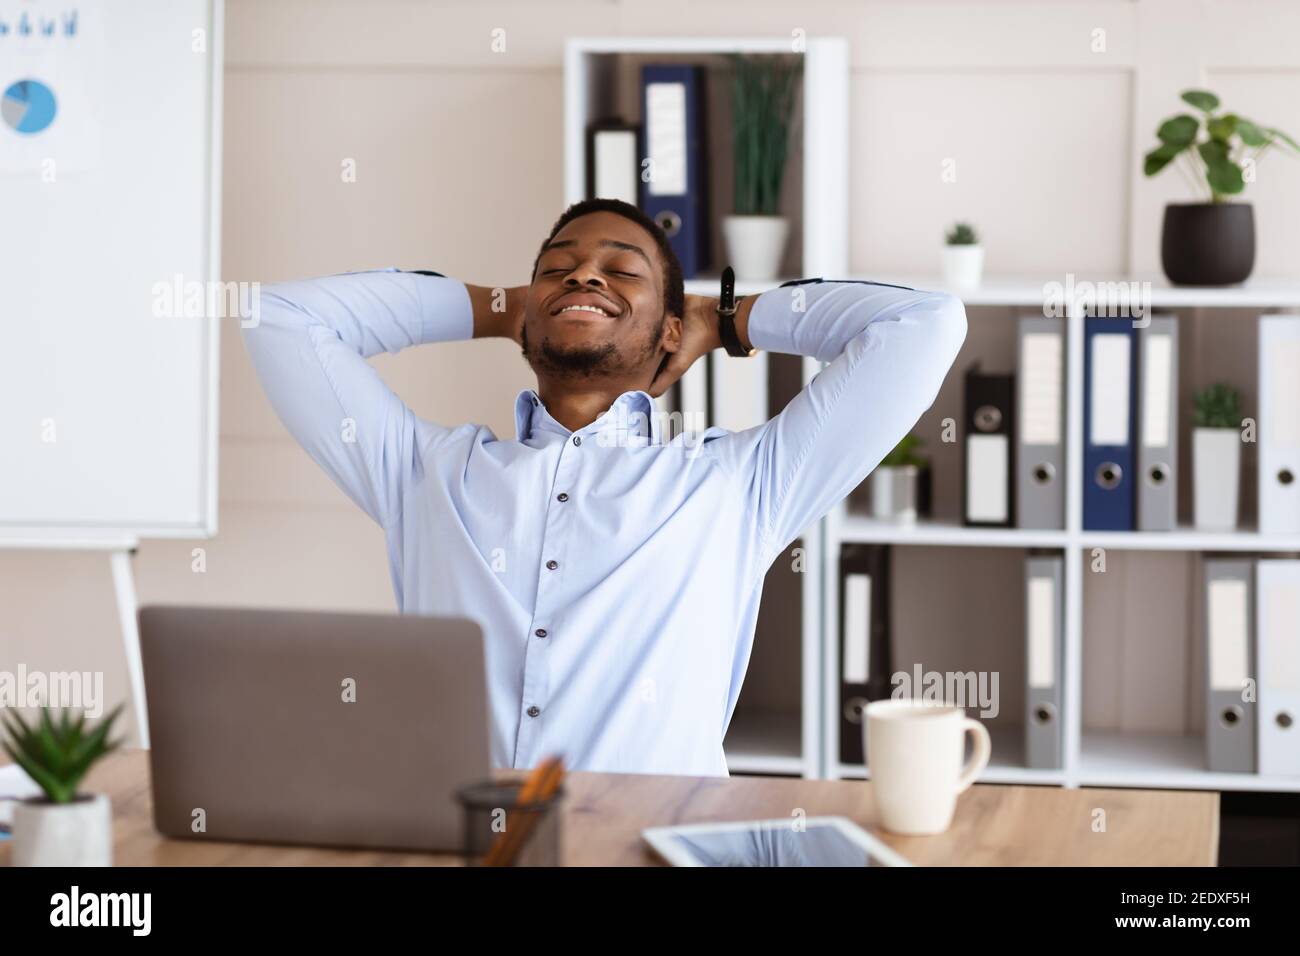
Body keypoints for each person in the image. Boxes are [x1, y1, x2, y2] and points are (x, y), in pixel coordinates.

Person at [241, 197, 967, 775]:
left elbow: (922, 324)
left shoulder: (735, 483)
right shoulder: (424, 473)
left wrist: (726, 320)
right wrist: (500, 306)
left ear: (670, 331)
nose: (583, 276)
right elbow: (279, 318)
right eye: (558, 269)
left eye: (622, 272)